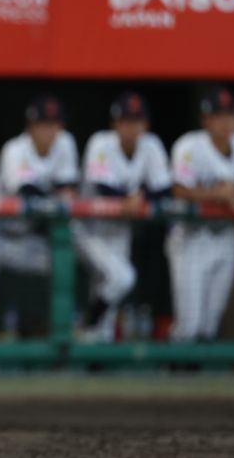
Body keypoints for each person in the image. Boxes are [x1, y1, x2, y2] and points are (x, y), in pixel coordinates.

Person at [0, 95, 79, 341]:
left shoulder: (65, 144)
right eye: (43, 124)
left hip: (22, 240)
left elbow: (68, 188)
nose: (49, 131)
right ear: (31, 127)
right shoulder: (15, 149)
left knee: (62, 262)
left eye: (54, 124)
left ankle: (58, 333)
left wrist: (60, 196)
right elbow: (28, 192)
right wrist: (58, 196)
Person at [73, 92, 173, 342]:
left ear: (146, 124)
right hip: (89, 227)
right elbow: (102, 187)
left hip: (119, 228)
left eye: (137, 121)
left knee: (109, 289)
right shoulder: (101, 143)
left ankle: (93, 345)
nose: (132, 127)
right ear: (115, 124)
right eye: (126, 121)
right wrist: (135, 197)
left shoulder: (151, 145)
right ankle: (87, 323)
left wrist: (140, 198)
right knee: (122, 277)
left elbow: (163, 188)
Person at [166, 88, 234, 342]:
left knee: (210, 322)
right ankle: (173, 372)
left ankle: (200, 379)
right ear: (205, 120)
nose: (225, 122)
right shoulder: (189, 146)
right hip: (191, 237)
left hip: (225, 237)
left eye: (230, 115)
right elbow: (179, 189)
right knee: (190, 323)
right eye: (218, 116)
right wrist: (219, 193)